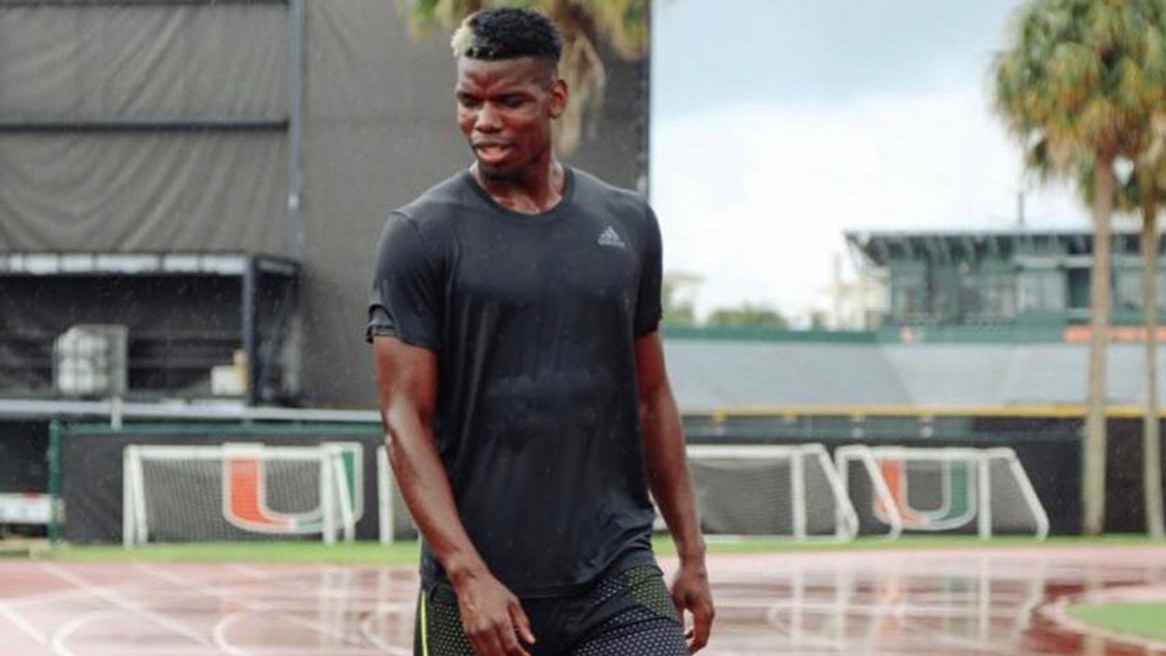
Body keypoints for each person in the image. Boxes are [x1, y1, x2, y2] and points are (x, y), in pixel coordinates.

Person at [367, 8, 713, 655]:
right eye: (469, 100)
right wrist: (467, 574)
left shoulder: (628, 225)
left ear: (556, 98)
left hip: (616, 573)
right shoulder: (419, 237)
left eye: (509, 101)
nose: (484, 121)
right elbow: (402, 418)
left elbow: (651, 397)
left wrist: (692, 554)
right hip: (475, 587)